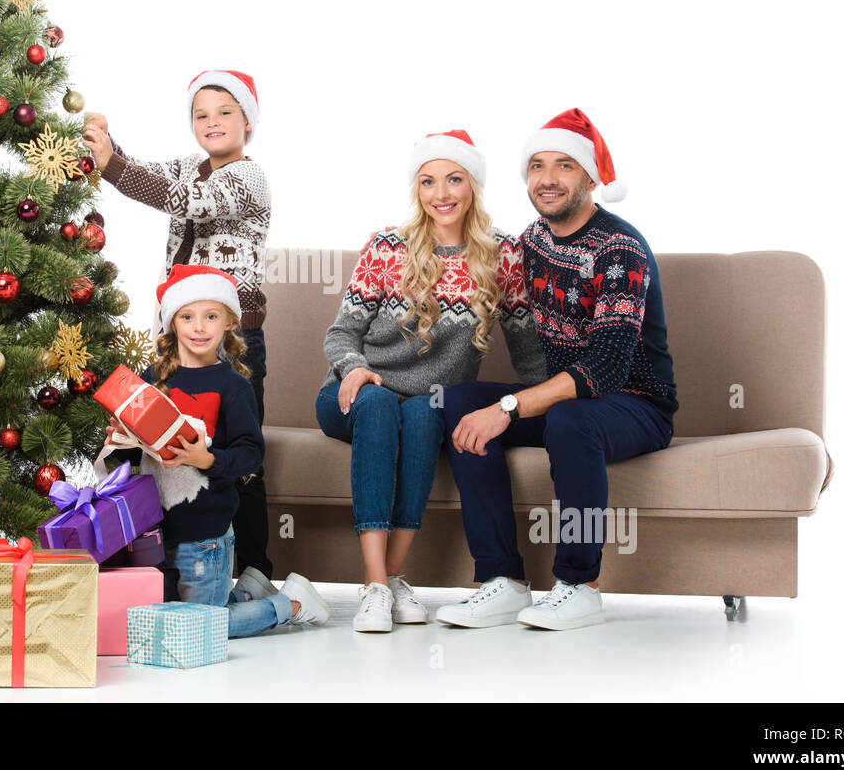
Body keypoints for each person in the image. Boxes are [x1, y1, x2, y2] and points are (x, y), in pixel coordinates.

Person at [438, 108, 677, 631]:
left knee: (571, 420)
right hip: (573, 401)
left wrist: (509, 407)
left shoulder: (620, 248)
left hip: (636, 405)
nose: (547, 179)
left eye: (564, 166)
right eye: (537, 166)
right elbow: (477, 274)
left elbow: (605, 369)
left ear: (590, 178)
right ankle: (503, 580)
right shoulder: (534, 240)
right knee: (459, 401)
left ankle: (579, 586)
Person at [316, 131, 547, 633]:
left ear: (473, 186)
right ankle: (377, 585)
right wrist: (354, 369)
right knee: (379, 404)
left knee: (424, 413)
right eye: (428, 181)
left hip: (428, 401)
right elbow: (341, 334)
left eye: (454, 179)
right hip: (355, 393)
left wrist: (547, 401)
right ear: (416, 189)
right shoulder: (387, 247)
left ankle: (392, 579)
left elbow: (528, 351)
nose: (440, 193)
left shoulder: (502, 255)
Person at [82, 71, 277, 601]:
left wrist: (112, 166)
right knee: (171, 444)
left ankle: (256, 566)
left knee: (237, 455)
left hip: (233, 343)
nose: (211, 123)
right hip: (181, 341)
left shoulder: (247, 178)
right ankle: (177, 557)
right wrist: (106, 144)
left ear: (248, 123)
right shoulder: (191, 167)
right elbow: (146, 173)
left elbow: (186, 201)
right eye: (201, 114)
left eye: (225, 112)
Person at [107, 265, 330, 637]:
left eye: (211, 316)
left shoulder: (234, 386)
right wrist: (119, 439)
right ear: (172, 323)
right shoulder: (150, 380)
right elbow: (134, 461)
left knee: (199, 628)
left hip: (204, 536)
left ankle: (290, 605)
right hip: (153, 532)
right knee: (159, 622)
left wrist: (207, 460)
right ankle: (248, 591)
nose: (199, 327)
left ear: (228, 322)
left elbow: (250, 455)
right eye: (187, 316)